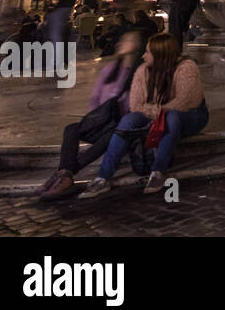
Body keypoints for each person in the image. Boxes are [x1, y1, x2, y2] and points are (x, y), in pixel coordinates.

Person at [79, 33, 209, 198]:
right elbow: (135, 105)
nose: (143, 55)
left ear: (162, 55)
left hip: (191, 115)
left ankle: (158, 171)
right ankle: (103, 177)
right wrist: (155, 111)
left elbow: (185, 102)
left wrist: (155, 110)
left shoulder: (186, 67)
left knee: (172, 118)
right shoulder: (143, 70)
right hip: (154, 113)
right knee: (128, 119)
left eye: (148, 52)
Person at [37, 31, 145, 200]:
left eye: (129, 40)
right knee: (71, 129)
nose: (121, 43)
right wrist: (94, 120)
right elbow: (95, 98)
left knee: (111, 135)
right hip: (102, 122)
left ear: (138, 46)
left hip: (119, 127)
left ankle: (65, 175)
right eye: (122, 39)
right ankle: (65, 173)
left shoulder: (139, 74)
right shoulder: (110, 69)